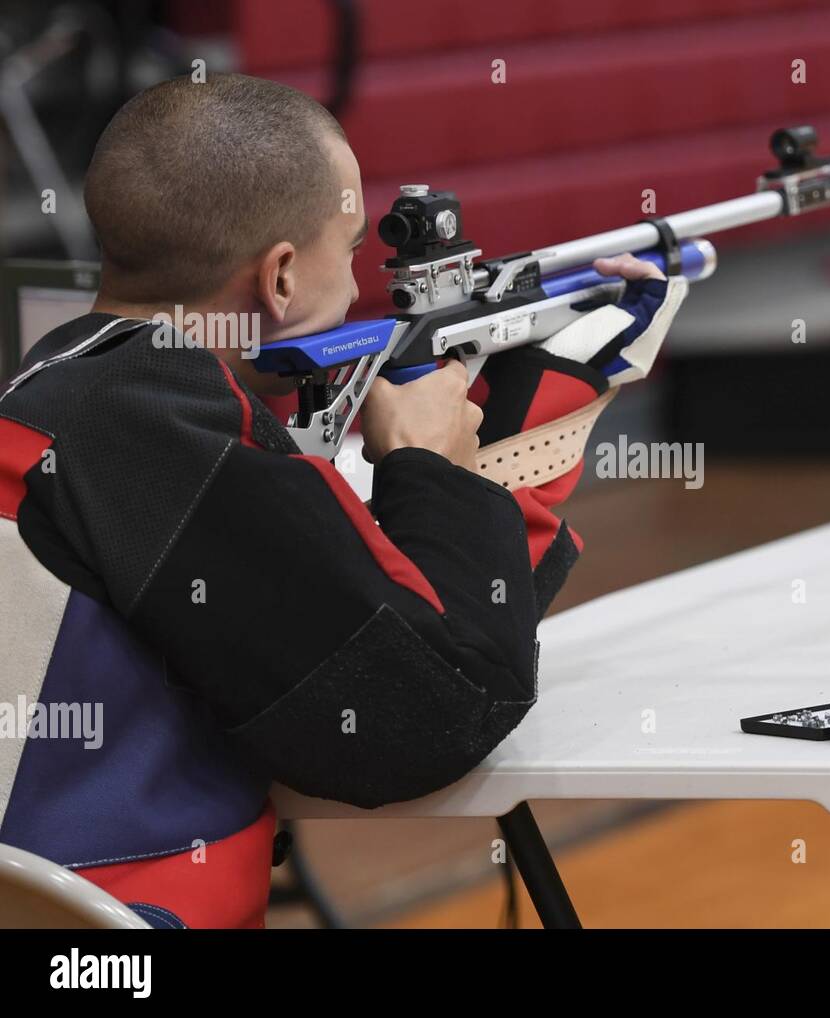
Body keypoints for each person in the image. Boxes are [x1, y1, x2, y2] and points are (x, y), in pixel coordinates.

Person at [0, 72, 678, 928]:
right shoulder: (164, 428)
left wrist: (549, 385)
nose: (361, 282)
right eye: (352, 248)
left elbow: (417, 627)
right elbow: (429, 718)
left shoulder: (67, 388)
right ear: (280, 278)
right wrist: (427, 464)